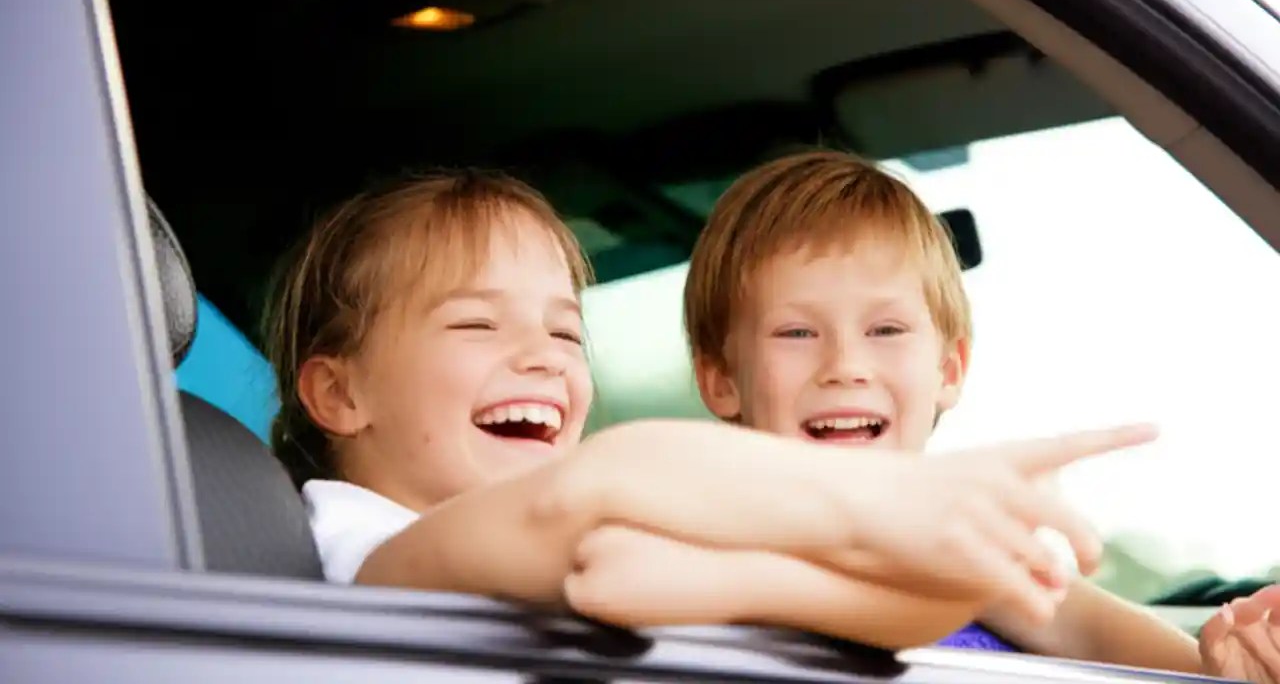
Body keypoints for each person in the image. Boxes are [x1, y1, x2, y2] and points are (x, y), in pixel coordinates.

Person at [262, 169, 1150, 651]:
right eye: (477, 322)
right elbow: (604, 510)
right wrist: (876, 512)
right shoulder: (356, 552)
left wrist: (948, 566)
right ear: (340, 393)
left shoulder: (557, 531)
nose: (541, 355)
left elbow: (622, 560)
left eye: (567, 334)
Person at [677, 150, 1216, 670]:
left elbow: (1120, 643)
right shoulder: (695, 553)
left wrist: (1232, 659)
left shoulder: (972, 557)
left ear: (949, 369)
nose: (845, 365)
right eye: (796, 332)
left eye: (885, 330)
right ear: (721, 379)